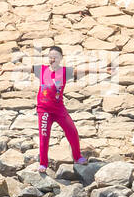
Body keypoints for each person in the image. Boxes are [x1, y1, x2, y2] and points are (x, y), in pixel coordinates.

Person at [31, 45, 96, 173]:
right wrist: (5, 70)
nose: (52, 59)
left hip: (59, 110)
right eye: (50, 57)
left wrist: (103, 71)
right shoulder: (41, 69)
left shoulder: (66, 71)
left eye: (55, 57)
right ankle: (43, 163)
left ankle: (77, 157)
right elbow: (24, 69)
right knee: (44, 137)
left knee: (72, 131)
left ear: (61, 58)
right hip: (44, 110)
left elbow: (83, 70)